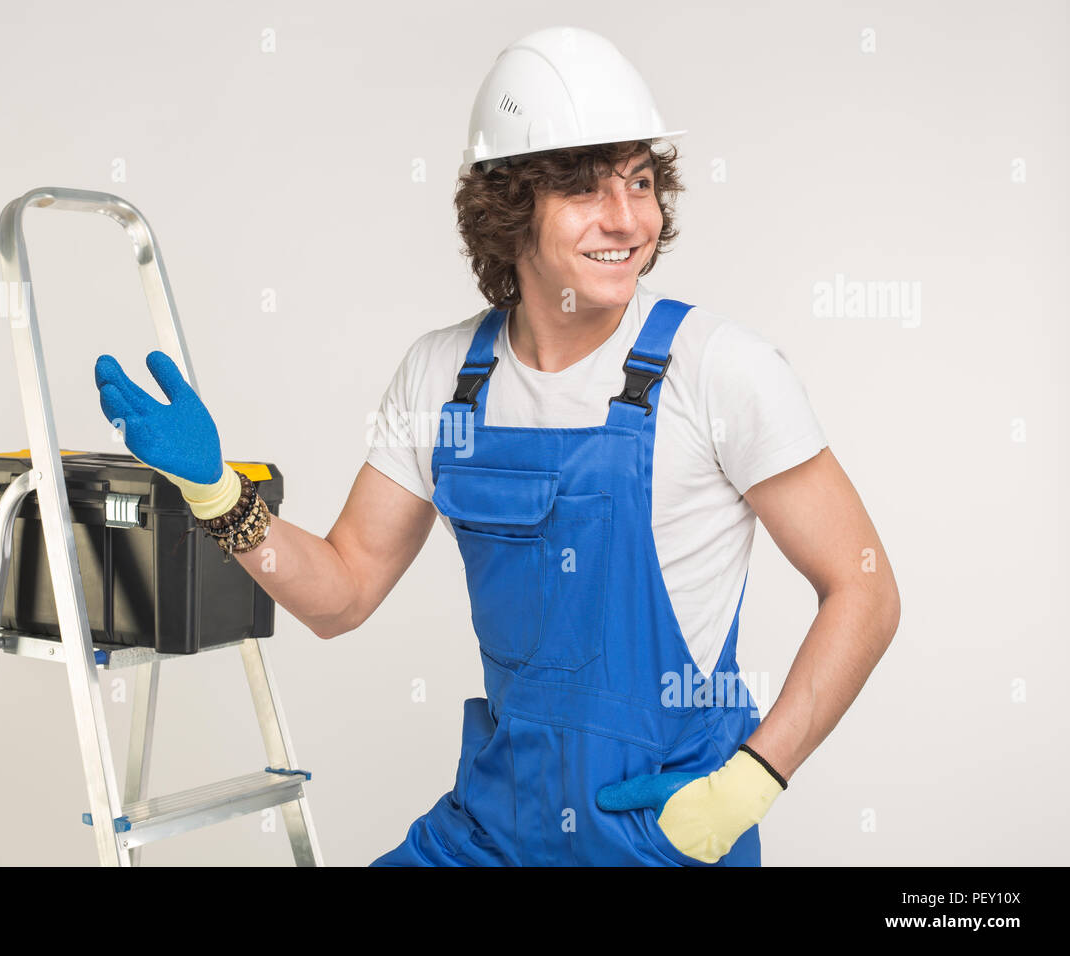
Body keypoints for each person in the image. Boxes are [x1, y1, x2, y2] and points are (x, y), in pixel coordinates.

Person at [93, 26, 900, 867]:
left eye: (641, 181)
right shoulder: (442, 375)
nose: (628, 219)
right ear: (512, 207)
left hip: (660, 834)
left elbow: (865, 590)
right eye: (587, 190)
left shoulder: (719, 369)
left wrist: (749, 785)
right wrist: (220, 496)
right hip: (493, 828)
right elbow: (342, 593)